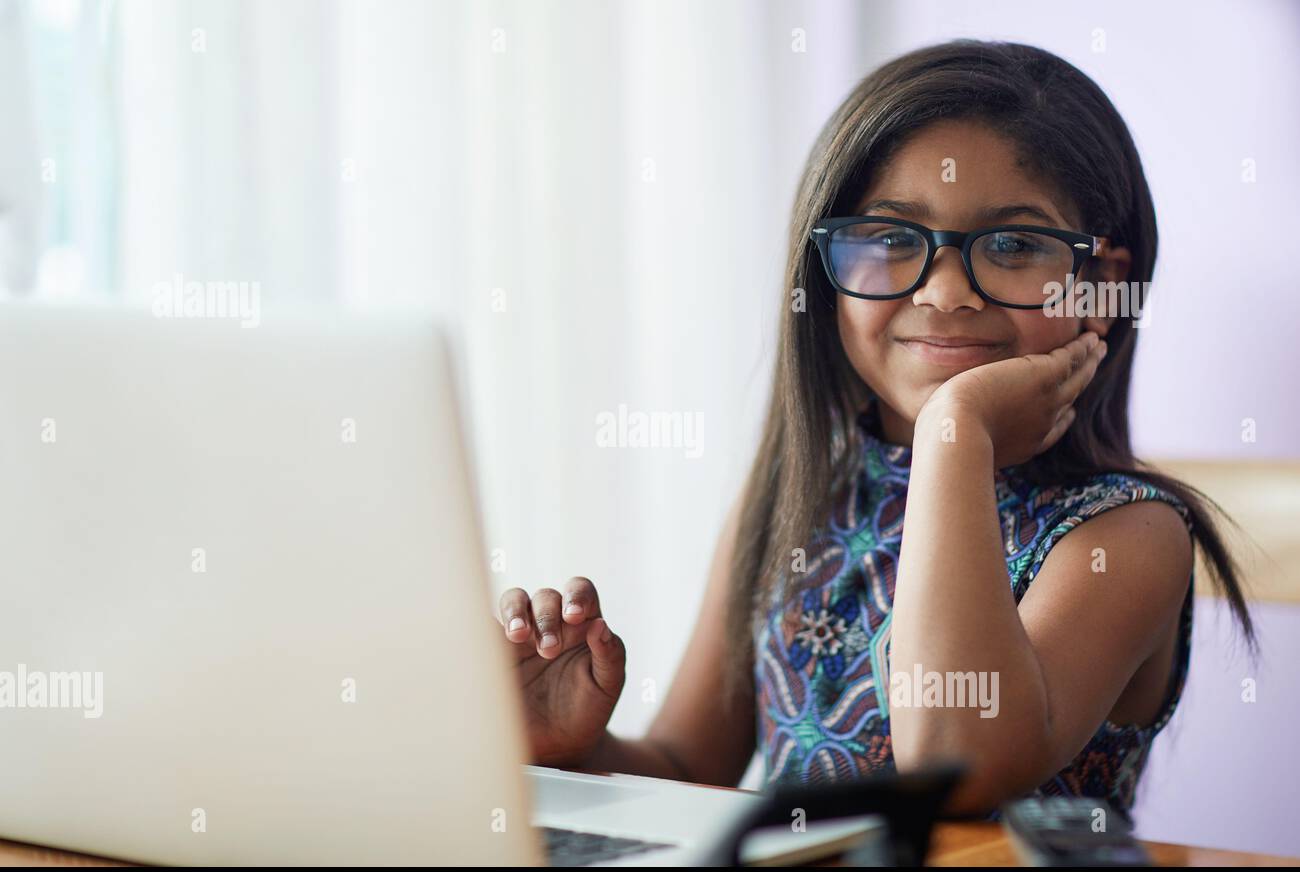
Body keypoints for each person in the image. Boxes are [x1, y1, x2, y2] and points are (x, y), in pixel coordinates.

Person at [495, 40, 1256, 817]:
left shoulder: (1124, 537)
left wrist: (955, 434)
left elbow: (958, 760)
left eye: (1016, 245)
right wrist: (575, 747)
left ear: (1100, 287)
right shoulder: (793, 504)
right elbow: (690, 769)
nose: (948, 291)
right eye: (893, 239)